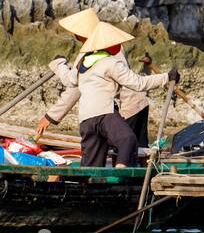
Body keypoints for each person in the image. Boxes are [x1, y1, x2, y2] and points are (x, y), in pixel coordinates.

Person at [37, 21, 178, 167]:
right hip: (106, 113)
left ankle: (90, 185)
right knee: (128, 141)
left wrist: (59, 65)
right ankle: (122, 173)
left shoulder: (83, 62)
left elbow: (70, 80)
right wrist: (167, 77)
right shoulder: (111, 62)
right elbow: (138, 83)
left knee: (92, 164)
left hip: (86, 119)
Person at [43, 9, 154, 147]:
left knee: (125, 149)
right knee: (136, 150)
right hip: (137, 103)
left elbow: (75, 86)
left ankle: (126, 167)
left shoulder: (94, 52)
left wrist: (50, 117)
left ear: (80, 34)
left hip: (126, 107)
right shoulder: (111, 45)